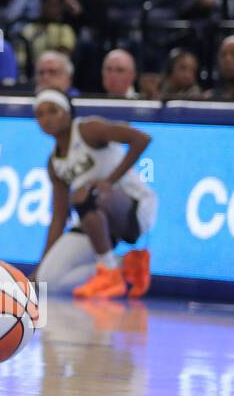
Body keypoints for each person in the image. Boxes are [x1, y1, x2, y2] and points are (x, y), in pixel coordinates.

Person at [32, 91, 155, 298]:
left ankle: (109, 271)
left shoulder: (88, 129)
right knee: (48, 280)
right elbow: (59, 217)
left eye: (53, 111)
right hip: (94, 216)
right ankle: (125, 264)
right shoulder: (54, 163)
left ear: (67, 113)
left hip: (133, 207)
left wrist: (109, 181)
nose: (47, 118)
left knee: (84, 194)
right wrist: (40, 265)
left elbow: (141, 139)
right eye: (40, 114)